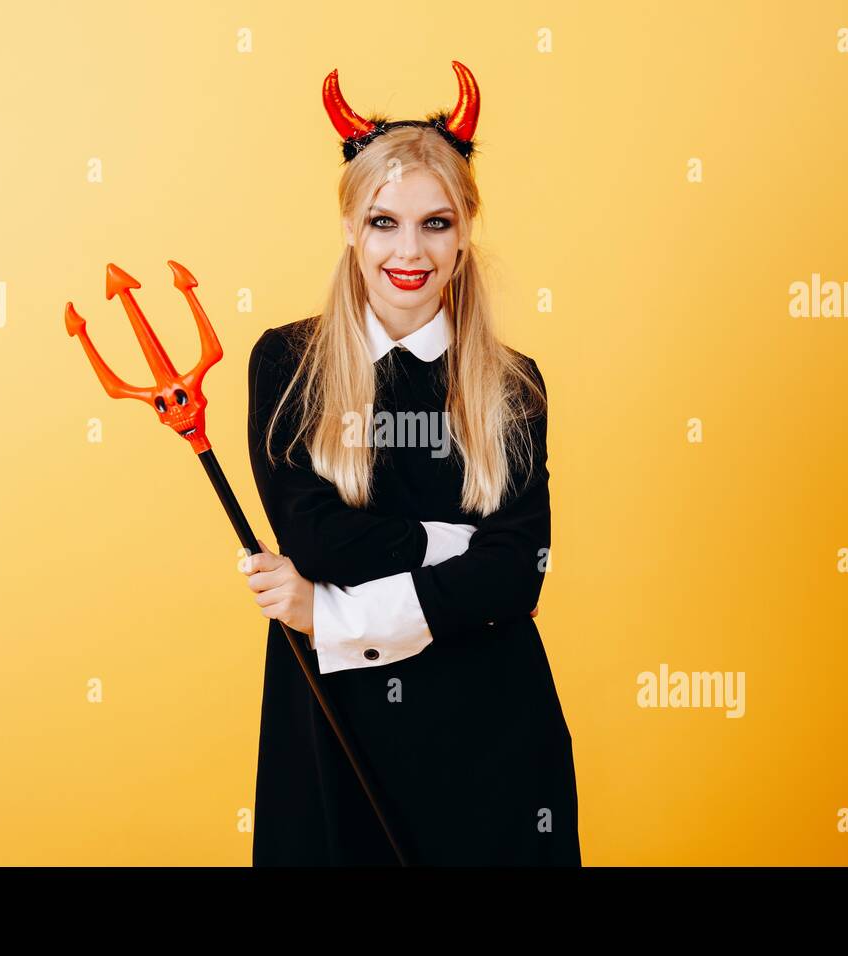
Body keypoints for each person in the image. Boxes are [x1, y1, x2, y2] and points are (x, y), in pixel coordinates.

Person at [239, 62, 580, 866]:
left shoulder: (512, 382)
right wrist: (454, 543)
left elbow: (516, 576)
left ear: (465, 233)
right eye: (384, 222)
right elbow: (316, 540)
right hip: (333, 720)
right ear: (352, 228)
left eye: (436, 223)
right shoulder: (288, 363)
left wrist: (332, 615)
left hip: (489, 728)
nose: (410, 251)